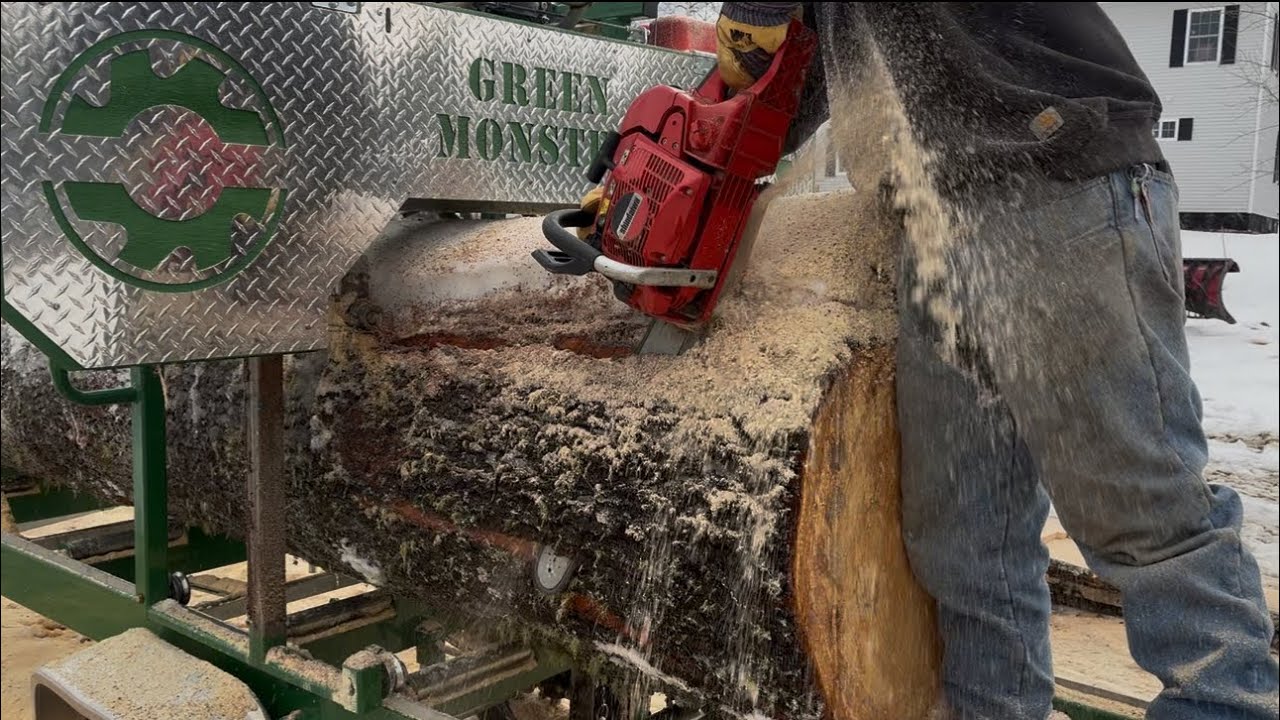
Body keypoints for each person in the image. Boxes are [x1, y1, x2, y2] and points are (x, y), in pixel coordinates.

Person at [702, 3, 1280, 720]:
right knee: (964, 542)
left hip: (1057, 174)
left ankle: (1223, 705)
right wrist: (682, 156)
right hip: (935, 226)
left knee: (1146, 518)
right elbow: (790, 85)